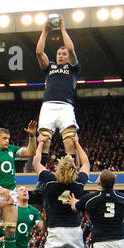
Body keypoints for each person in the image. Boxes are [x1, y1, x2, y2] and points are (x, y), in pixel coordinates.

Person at [28, 138, 90, 248]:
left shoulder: (49, 181)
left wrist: (40, 143)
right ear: (73, 170)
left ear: (58, 168)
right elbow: (86, 163)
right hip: (74, 231)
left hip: (55, 231)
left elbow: (35, 162)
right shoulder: (79, 183)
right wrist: (77, 143)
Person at [34, 15, 81, 156]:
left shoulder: (73, 68)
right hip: (48, 106)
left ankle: (71, 176)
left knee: (70, 142)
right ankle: (43, 177)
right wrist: (45, 30)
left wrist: (62, 29)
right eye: (59, 53)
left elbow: (71, 49)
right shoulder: (50, 67)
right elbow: (38, 52)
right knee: (43, 142)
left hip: (66, 107)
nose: (61, 55)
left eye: (63, 54)